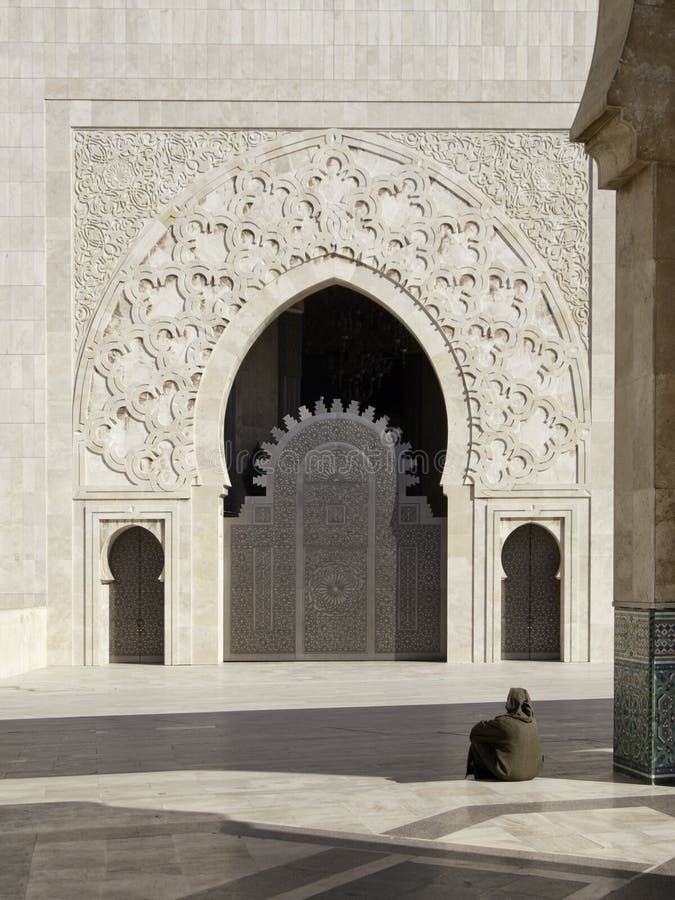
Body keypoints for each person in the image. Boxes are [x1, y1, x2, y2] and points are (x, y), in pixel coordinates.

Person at [466, 687, 543, 781]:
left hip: (510, 773)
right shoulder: (533, 722)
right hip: (533, 772)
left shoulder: (503, 722)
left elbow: (475, 732)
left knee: (478, 740)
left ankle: (484, 777)